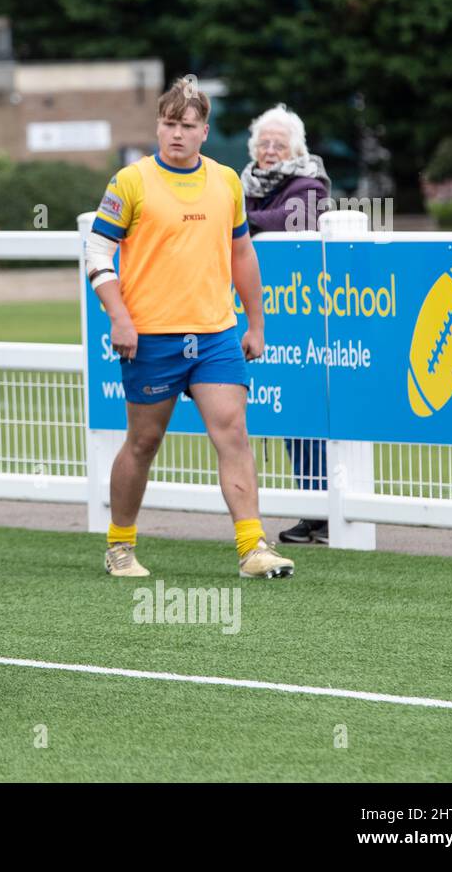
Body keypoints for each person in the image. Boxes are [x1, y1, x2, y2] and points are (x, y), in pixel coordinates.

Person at [85, 78, 295, 580]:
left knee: (234, 434)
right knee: (143, 442)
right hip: (150, 337)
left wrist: (256, 322)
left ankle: (252, 547)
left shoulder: (225, 181)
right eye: (168, 123)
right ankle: (120, 547)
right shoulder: (130, 181)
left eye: (186, 125)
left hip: (216, 336)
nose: (175, 134)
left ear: (204, 131)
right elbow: (97, 251)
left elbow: (241, 252)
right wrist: (119, 316)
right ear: (159, 126)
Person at [242, 104, 332, 545]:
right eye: (264, 143)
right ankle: (314, 511)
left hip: (308, 318)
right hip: (266, 316)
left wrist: (237, 223)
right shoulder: (243, 185)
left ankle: (325, 511)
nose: (271, 150)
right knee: (289, 416)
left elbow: (293, 219)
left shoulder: (309, 184)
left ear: (296, 148)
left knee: (309, 413)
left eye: (279, 143)